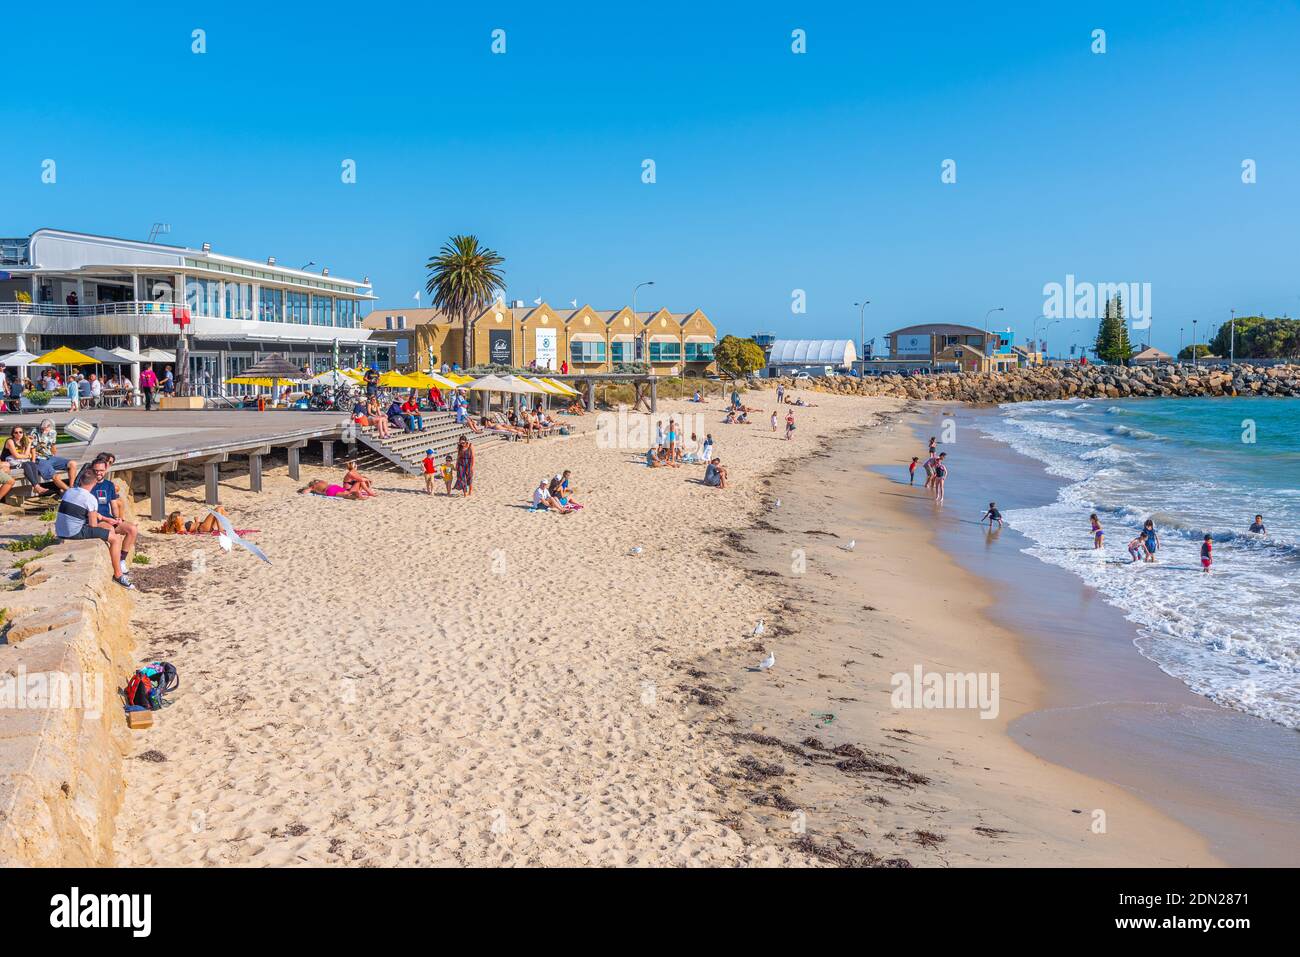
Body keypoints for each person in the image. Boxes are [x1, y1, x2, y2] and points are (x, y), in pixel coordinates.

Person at [55, 467, 133, 588]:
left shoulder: (70, 491)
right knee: (115, 539)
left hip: (60, 531)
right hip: (73, 533)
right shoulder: (90, 499)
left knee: (107, 530)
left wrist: (105, 519)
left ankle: (118, 573)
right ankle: (118, 575)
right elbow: (93, 525)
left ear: (80, 480)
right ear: (95, 482)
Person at [88, 456, 137, 562]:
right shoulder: (87, 485)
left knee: (132, 529)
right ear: (92, 470)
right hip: (96, 520)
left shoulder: (109, 485)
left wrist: (117, 517)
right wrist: (107, 520)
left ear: (105, 470)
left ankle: (122, 560)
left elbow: (114, 505)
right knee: (110, 530)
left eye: (101, 470)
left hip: (109, 518)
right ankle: (114, 562)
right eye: (95, 470)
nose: (98, 473)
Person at [4, 425, 49, 494]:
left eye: (20, 432)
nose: (18, 434)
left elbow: (26, 454)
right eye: (16, 432)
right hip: (8, 464)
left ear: (23, 433)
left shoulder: (22, 441)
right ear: (13, 434)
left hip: (18, 462)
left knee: (32, 464)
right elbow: (17, 456)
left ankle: (36, 487)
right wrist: (26, 456)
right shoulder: (10, 441)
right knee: (26, 465)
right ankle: (37, 487)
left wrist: (29, 443)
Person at [34, 419, 76, 492]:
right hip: (39, 459)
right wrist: (33, 461)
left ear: (50, 427)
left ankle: (72, 487)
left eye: (45, 429)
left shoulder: (53, 432)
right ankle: (70, 492)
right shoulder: (35, 433)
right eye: (42, 429)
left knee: (73, 464)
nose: (43, 431)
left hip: (50, 457)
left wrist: (54, 456)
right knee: (56, 476)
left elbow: (53, 445)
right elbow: (32, 449)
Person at [298, 479, 365, 499]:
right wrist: (310, 488)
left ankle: (356, 495)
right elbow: (304, 492)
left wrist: (310, 488)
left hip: (330, 489)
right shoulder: (321, 482)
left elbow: (304, 492)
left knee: (345, 495)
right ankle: (357, 494)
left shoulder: (314, 486)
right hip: (333, 487)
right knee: (346, 493)